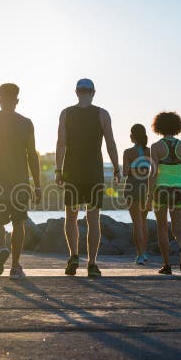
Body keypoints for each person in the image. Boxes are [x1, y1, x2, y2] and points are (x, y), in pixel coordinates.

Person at [0, 83, 42, 278]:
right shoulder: (26, 123)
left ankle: (2, 247)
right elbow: (32, 155)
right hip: (20, 182)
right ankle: (15, 266)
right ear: (17, 101)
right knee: (19, 223)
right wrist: (37, 185)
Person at [55, 78, 120, 277]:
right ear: (93, 92)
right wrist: (116, 169)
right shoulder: (102, 114)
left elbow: (61, 143)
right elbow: (110, 143)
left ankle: (73, 256)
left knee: (71, 216)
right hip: (93, 172)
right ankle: (92, 264)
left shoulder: (66, 113)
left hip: (72, 171)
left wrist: (58, 170)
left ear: (76, 92)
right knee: (93, 219)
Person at [149, 111, 181, 274]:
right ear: (177, 126)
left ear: (158, 126)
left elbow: (153, 173)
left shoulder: (155, 147)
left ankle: (166, 265)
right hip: (179, 189)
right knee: (178, 229)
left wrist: (149, 195)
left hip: (160, 189)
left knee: (162, 228)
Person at [122, 124, 151, 265]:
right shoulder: (149, 152)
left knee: (137, 223)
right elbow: (152, 172)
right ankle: (144, 253)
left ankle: (139, 255)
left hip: (132, 187)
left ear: (132, 136)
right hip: (145, 188)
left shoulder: (128, 152)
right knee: (143, 222)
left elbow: (125, 172)